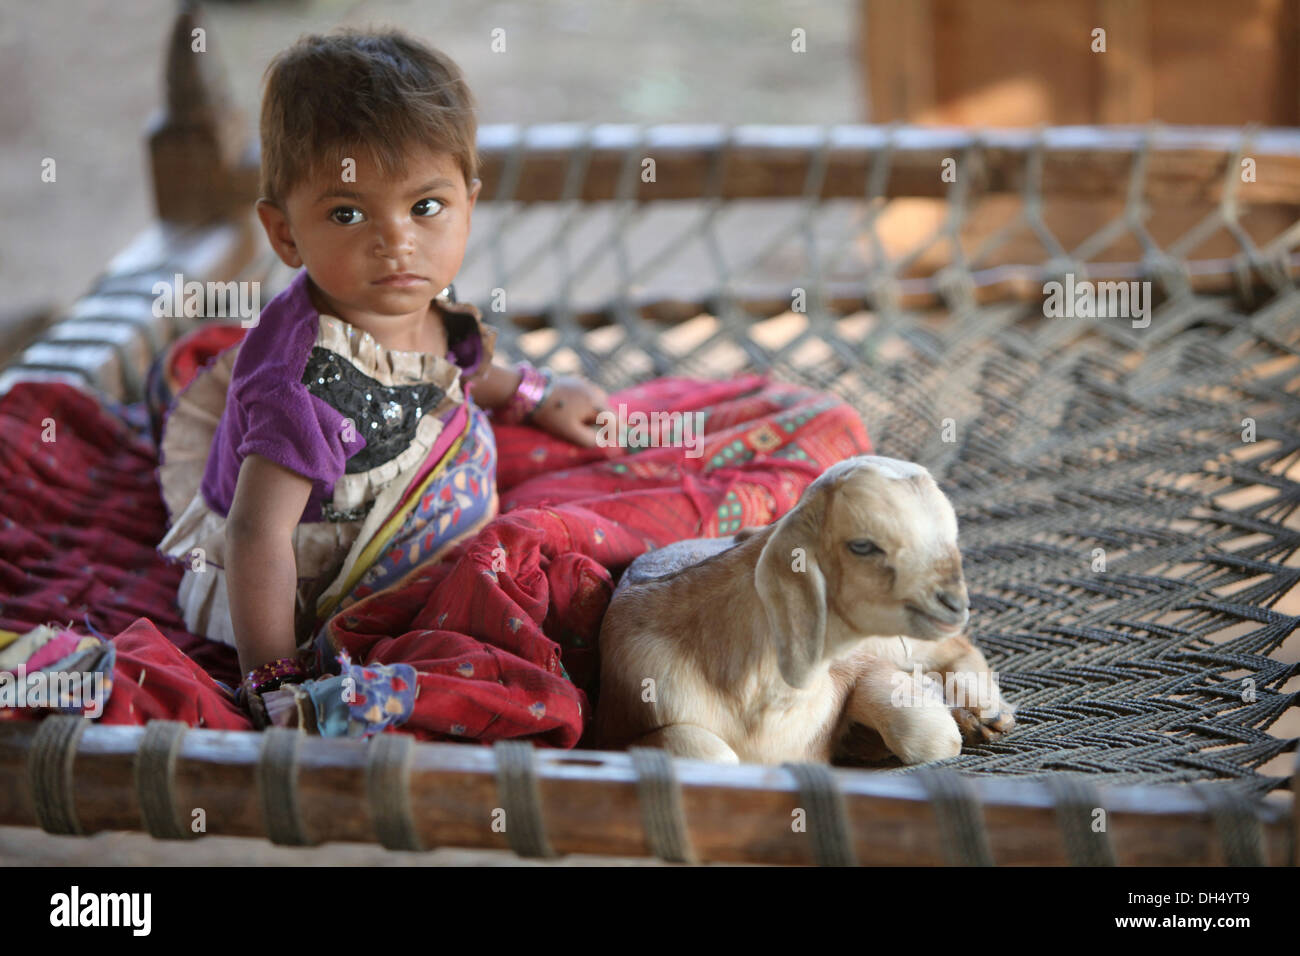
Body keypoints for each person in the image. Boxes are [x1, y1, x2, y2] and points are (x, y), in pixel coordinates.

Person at [155, 29, 608, 726]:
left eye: (426, 207)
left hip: (396, 495)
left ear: (468, 203)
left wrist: (537, 396)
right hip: (308, 574)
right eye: (347, 212)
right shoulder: (302, 384)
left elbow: (450, 364)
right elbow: (257, 536)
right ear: (284, 235)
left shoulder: (407, 300)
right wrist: (275, 679)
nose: (396, 239)